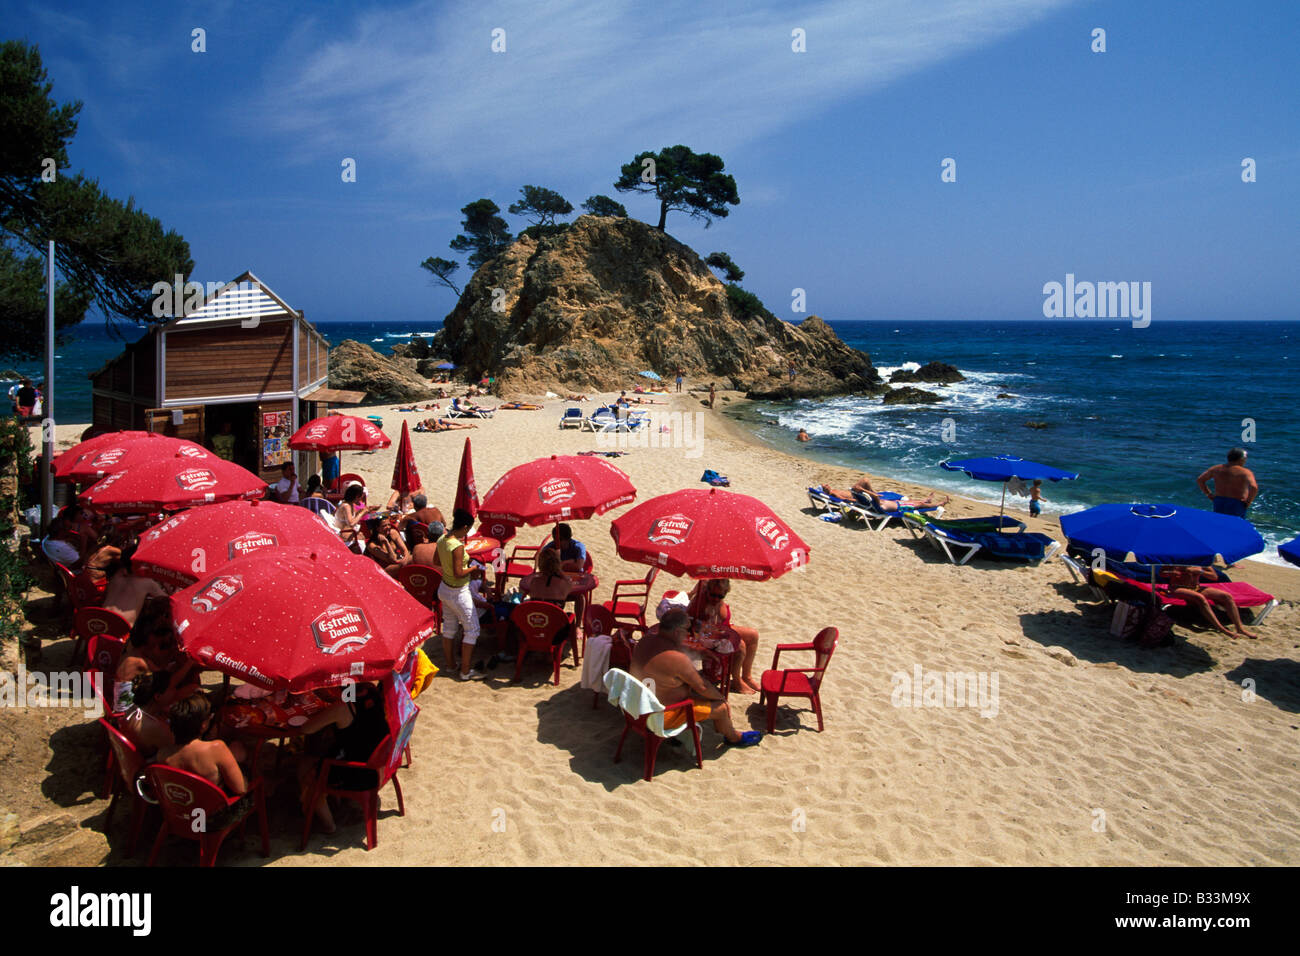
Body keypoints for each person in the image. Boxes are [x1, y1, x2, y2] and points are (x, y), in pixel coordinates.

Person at [630, 608, 760, 746]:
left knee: (684, 685)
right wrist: (721, 699)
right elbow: (703, 687)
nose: (689, 633)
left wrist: (697, 651)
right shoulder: (677, 659)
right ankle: (734, 738)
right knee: (721, 707)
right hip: (660, 717)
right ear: (677, 632)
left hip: (636, 707)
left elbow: (665, 662)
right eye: (687, 630)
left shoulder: (645, 641)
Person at [296, 681, 389, 833]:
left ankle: (328, 825)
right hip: (378, 762)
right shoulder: (373, 692)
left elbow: (307, 729)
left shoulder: (343, 707)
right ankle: (330, 804)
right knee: (322, 752)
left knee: (304, 765)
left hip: (357, 773)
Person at [156, 693, 248, 799]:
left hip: (180, 808)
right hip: (211, 810)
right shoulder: (216, 749)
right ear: (203, 725)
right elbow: (240, 789)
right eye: (210, 717)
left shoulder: (162, 754)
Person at [688, 578, 761, 695]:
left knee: (753, 635)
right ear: (707, 590)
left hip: (719, 629)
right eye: (713, 595)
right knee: (740, 645)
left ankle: (747, 677)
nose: (716, 598)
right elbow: (691, 624)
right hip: (702, 635)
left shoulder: (716, 599)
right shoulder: (699, 602)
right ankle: (737, 681)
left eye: (720, 596)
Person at [437, 509, 483, 680]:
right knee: (472, 630)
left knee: (449, 629)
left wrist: (453, 564)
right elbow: (458, 573)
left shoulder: (442, 539)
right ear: (464, 527)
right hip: (457, 590)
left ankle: (450, 665)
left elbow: (437, 561)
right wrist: (473, 568)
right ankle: (465, 671)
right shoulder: (456, 546)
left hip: (444, 588)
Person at [1162, 566, 1258, 639]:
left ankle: (1240, 628)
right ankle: (1221, 628)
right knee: (1200, 598)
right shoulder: (1175, 558)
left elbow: (1214, 577)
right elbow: (1162, 573)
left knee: (1227, 596)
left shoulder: (1200, 558)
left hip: (1196, 587)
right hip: (1177, 588)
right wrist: (1174, 572)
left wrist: (1201, 572)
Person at [102, 542, 166, 625]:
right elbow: (169, 602)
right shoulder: (147, 582)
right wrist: (166, 586)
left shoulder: (117, 575)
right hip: (119, 626)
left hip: (100, 619)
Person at [1196, 448, 1258, 517]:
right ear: (1241, 459)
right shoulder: (1246, 472)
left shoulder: (1216, 468)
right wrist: (1248, 502)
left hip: (1219, 501)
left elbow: (1200, 480)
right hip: (1236, 503)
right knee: (1234, 525)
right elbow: (1254, 487)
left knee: (1219, 522)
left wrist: (1209, 494)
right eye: (1245, 458)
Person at [333, 484, 375, 549]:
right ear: (357, 496)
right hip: (342, 533)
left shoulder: (350, 504)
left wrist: (367, 510)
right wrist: (363, 512)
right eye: (361, 497)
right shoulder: (346, 506)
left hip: (347, 532)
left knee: (362, 536)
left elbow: (355, 516)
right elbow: (351, 523)